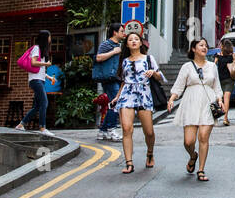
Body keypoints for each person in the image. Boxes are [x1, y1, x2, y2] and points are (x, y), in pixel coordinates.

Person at [166, 38, 221, 182]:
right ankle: (193, 156)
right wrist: (172, 99)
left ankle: (201, 170)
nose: (204, 47)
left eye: (206, 45)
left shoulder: (212, 66)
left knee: (203, 137)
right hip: (190, 103)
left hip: (208, 103)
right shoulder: (187, 67)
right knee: (188, 142)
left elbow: (217, 86)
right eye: (201, 45)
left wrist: (220, 100)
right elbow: (179, 86)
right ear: (193, 49)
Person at [112, 29, 161, 173]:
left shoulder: (148, 59)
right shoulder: (124, 61)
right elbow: (123, 81)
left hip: (144, 94)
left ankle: (150, 153)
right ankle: (129, 163)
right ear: (126, 45)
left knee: (149, 132)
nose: (133, 41)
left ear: (140, 43)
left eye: (136, 39)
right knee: (126, 129)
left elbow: (159, 77)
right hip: (127, 95)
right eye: (130, 40)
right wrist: (117, 96)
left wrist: (153, 73)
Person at [94, 23, 127, 141]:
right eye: (122, 31)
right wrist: (113, 52)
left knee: (114, 103)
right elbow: (98, 58)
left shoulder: (120, 45)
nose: (124, 33)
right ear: (115, 32)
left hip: (116, 78)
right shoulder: (106, 44)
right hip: (108, 78)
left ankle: (103, 130)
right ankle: (111, 129)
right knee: (116, 103)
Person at [16, 30, 53, 133]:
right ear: (45, 38)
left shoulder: (41, 50)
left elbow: (39, 69)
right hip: (35, 81)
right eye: (49, 37)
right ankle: (42, 128)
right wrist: (46, 64)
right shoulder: (37, 48)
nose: (50, 39)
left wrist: (48, 77)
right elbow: (33, 63)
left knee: (37, 106)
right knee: (44, 102)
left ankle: (21, 125)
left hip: (39, 80)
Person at [216, 38, 235, 126]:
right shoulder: (233, 56)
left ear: (222, 46)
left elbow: (213, 67)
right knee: (226, 99)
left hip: (219, 79)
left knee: (218, 98)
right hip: (230, 79)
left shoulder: (218, 55)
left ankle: (215, 116)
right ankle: (225, 118)